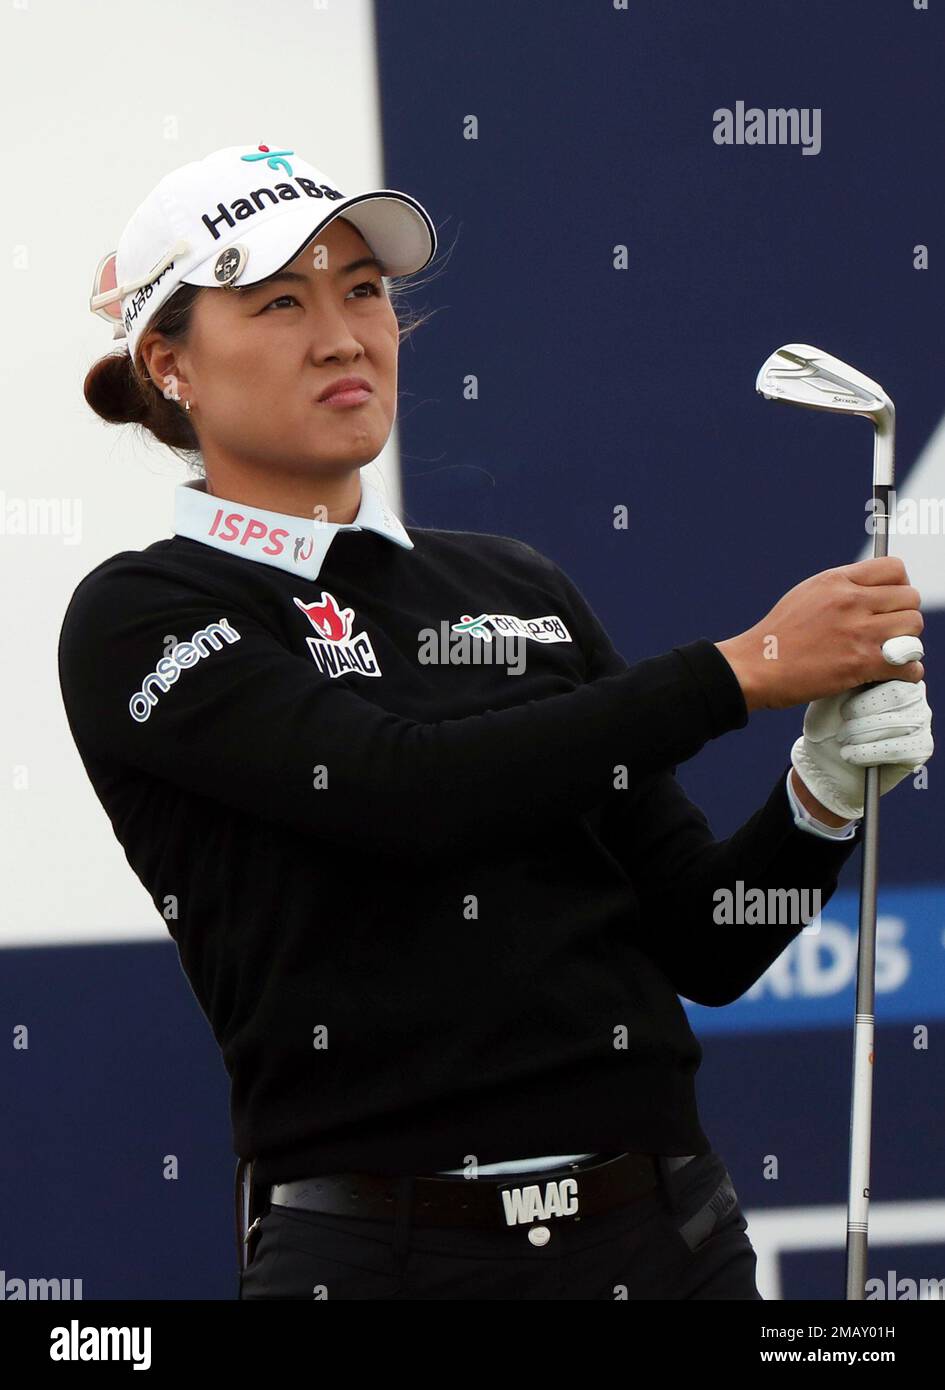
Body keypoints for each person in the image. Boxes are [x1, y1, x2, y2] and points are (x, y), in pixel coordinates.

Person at [58, 141, 934, 1301]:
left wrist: (818, 795)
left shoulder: (512, 583)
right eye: (278, 300)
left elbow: (708, 942)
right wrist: (742, 669)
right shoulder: (142, 612)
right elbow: (399, 790)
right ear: (170, 363)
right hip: (378, 1256)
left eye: (364, 290)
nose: (342, 335)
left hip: (666, 1235)